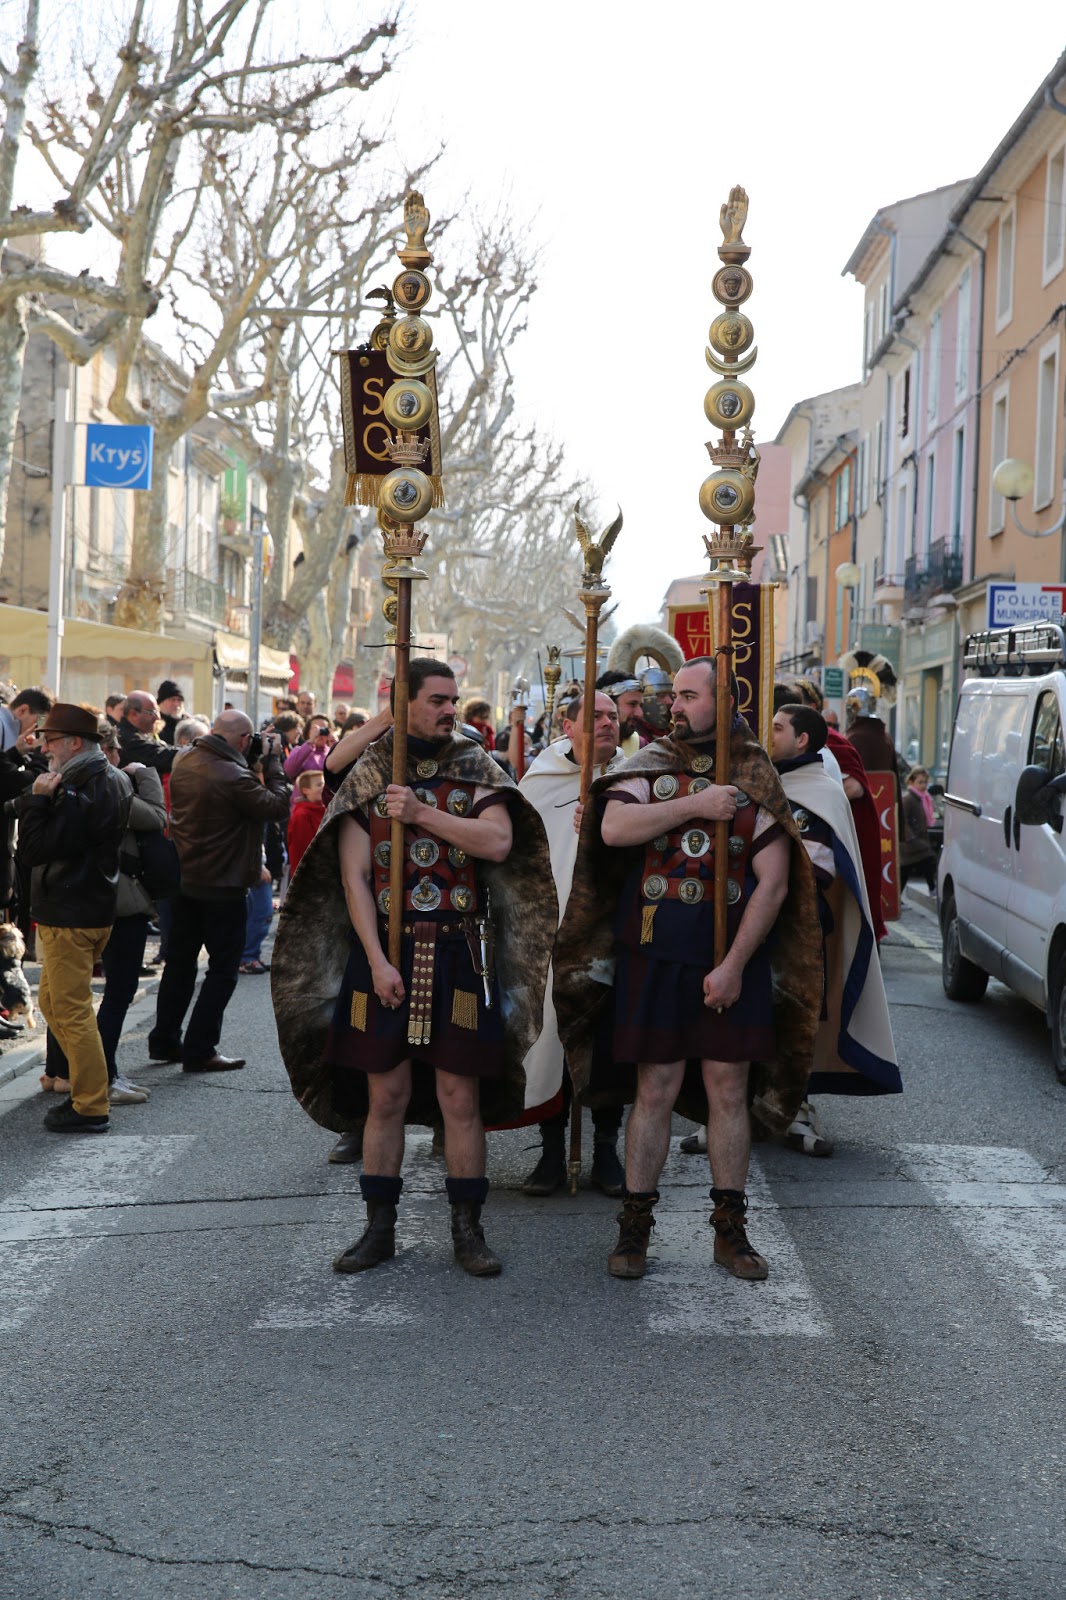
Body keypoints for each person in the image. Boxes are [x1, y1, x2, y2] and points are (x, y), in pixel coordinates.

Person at [272, 659, 557, 1277]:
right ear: (406, 705)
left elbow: (499, 843)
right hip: (385, 955)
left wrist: (423, 815)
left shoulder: (474, 765)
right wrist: (375, 961)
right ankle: (378, 1229)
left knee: (460, 1097)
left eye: (454, 699)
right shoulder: (372, 771)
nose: (450, 709)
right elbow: (352, 877)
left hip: (457, 952)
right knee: (387, 1096)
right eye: (435, 700)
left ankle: (468, 1231)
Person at [553, 657, 821, 1282]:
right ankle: (634, 1226)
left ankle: (730, 1229)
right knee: (656, 1088)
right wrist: (698, 804)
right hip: (655, 957)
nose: (675, 705)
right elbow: (614, 827)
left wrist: (732, 966)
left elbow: (774, 885)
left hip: (732, 962)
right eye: (673, 694)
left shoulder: (755, 772)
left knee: (730, 1090)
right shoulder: (651, 763)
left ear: (724, 702)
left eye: (689, 695)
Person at [770, 704, 900, 1127]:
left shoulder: (823, 792)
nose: (767, 733)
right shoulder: (759, 780)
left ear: (802, 739)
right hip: (749, 924)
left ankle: (796, 1107)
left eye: (776, 728)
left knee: (798, 1016)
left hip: (801, 928)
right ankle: (724, 1111)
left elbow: (822, 867)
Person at [518, 690, 627, 1196]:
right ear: (569, 725)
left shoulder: (638, 777)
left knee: (608, 1044)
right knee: (552, 1040)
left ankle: (606, 1149)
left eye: (613, 716)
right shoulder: (540, 781)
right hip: (551, 934)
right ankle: (551, 1153)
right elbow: (516, 858)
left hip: (613, 936)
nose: (609, 723)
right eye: (597, 716)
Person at [9, 703, 131, 1132]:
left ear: (75, 742)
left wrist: (36, 802)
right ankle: (85, 1092)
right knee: (55, 1004)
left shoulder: (84, 782)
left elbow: (36, 849)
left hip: (72, 911)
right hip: (84, 906)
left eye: (51, 740)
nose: (44, 748)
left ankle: (91, 1105)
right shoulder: (105, 776)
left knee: (71, 1010)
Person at [148, 711, 289, 1071]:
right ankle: (200, 1049)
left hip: (185, 880)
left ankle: (164, 1040)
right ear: (242, 740)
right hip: (222, 886)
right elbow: (276, 805)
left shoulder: (186, 759)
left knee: (179, 965)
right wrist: (273, 760)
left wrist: (253, 757)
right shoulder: (233, 775)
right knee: (223, 970)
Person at [118, 692, 177, 774]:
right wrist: (193, 751)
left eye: (158, 712)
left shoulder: (140, 734)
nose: (157, 717)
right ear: (134, 714)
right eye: (152, 712)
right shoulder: (126, 739)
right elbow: (161, 757)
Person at [901, 766, 938, 892]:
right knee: (929, 858)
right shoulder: (908, 799)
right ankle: (932, 888)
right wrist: (910, 837)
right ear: (911, 782)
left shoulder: (923, 799)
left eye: (925, 782)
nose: (923, 785)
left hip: (918, 840)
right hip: (911, 842)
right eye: (920, 782)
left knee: (907, 870)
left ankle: (932, 887)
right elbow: (902, 820)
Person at [596, 672, 647, 758]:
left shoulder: (642, 747)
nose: (640, 713)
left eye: (641, 706)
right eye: (632, 704)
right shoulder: (569, 749)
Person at [287, 769, 326, 880]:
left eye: (324, 783)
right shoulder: (302, 815)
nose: (323, 787)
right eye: (319, 785)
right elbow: (303, 849)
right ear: (305, 790)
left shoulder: (324, 810)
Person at [283, 714, 336, 787]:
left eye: (324, 729)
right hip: (303, 796)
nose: (319, 733)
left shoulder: (332, 753)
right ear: (308, 732)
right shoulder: (298, 750)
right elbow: (289, 771)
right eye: (316, 729)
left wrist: (335, 742)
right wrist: (310, 742)